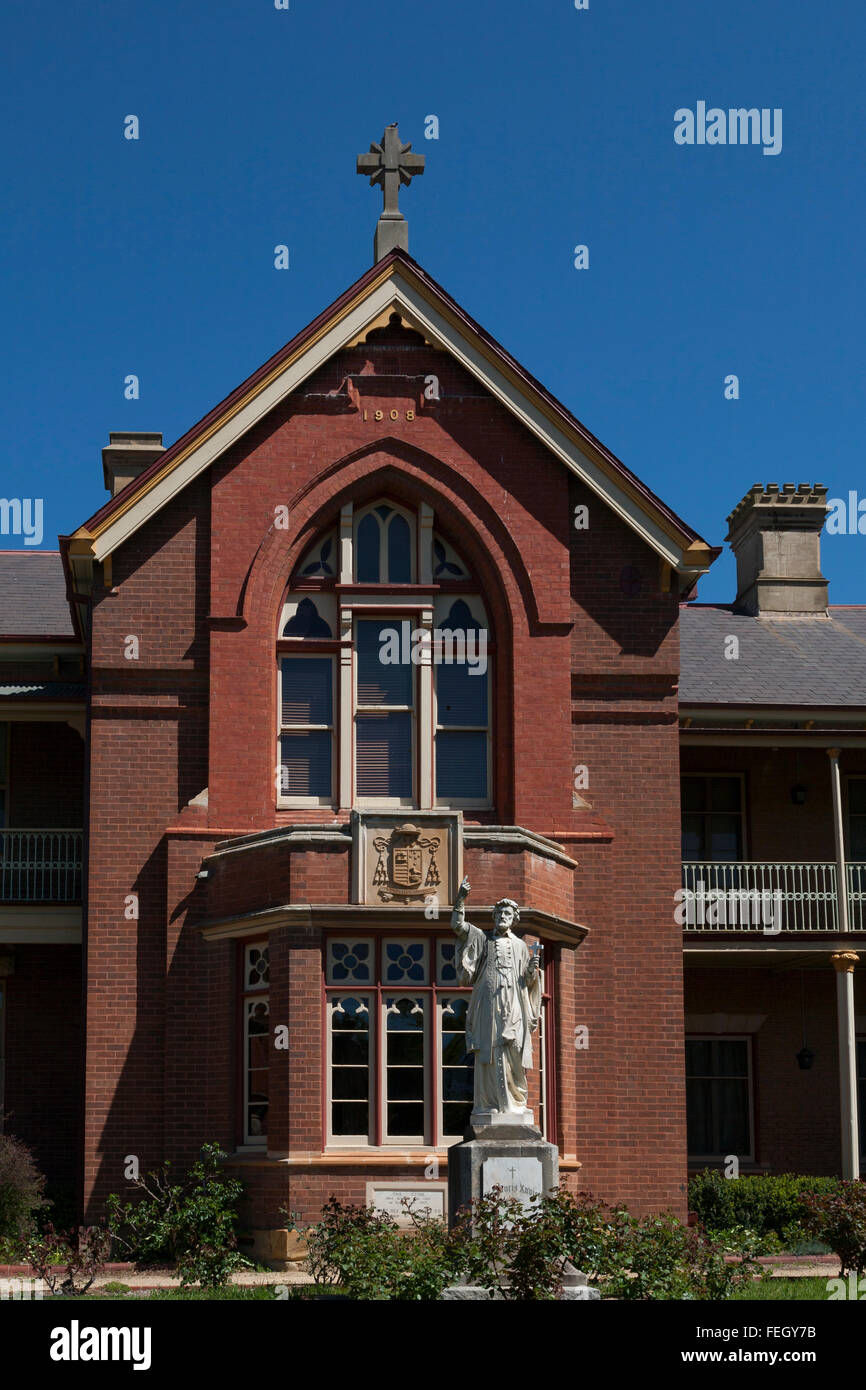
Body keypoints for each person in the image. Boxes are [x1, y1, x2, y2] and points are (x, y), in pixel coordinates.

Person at [451, 876, 542, 1122]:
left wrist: (533, 971)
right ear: (494, 916)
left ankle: (515, 1103)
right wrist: (460, 900)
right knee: (489, 1052)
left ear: (514, 919)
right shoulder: (484, 939)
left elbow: (529, 982)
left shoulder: (521, 946)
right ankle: (490, 1104)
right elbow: (458, 927)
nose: (503, 916)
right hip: (488, 1005)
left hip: (514, 1005)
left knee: (513, 1049)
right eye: (500, 912)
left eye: (508, 914)